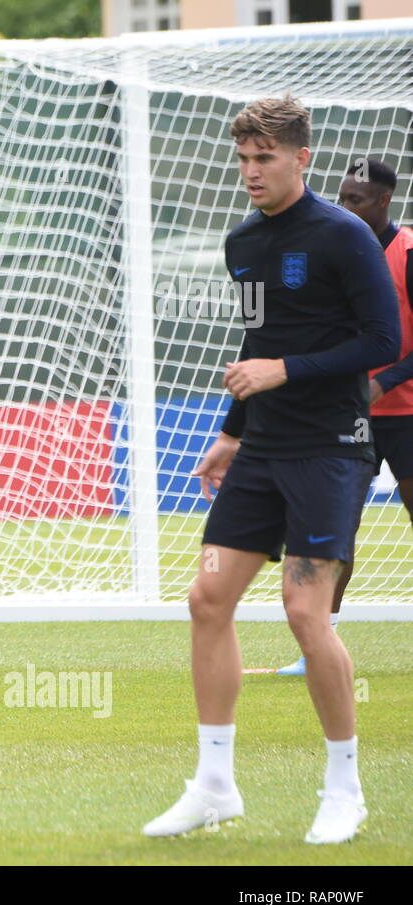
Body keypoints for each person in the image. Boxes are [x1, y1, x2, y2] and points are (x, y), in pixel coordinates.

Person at [143, 98, 399, 844]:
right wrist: (231, 434)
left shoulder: (346, 237)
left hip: (332, 447)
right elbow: (263, 341)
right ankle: (215, 785)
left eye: (266, 159)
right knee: (207, 596)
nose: (251, 172)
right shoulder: (242, 243)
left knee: (302, 611)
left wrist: (283, 370)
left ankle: (344, 787)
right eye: (243, 159)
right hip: (262, 450)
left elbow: (381, 339)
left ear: (301, 158)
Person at [278, 158, 413, 674]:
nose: (345, 207)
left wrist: (384, 381)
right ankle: (318, 648)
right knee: (336, 528)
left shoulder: (406, 253)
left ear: (384, 202)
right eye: (340, 197)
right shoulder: (336, 252)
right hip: (347, 414)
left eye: (356, 200)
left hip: (406, 413)